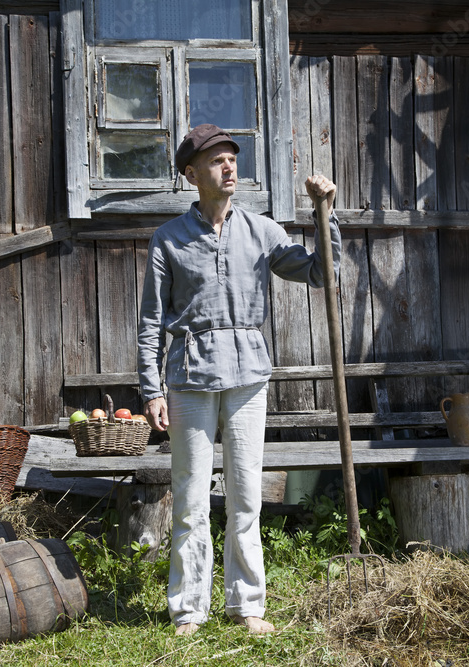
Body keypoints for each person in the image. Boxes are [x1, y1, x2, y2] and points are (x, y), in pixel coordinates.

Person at [137, 123, 341, 636]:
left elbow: (320, 272)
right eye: (216, 161)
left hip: (248, 373)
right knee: (189, 497)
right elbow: (149, 323)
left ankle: (247, 604)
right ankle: (188, 609)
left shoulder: (262, 230)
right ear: (191, 174)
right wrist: (151, 388)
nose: (229, 167)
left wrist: (326, 214)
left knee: (247, 493)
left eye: (232, 158)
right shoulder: (169, 239)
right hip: (189, 377)